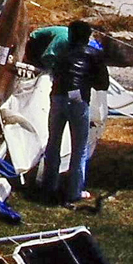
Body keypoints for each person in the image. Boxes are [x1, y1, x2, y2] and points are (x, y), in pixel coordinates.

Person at [41, 20, 109, 207]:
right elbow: (103, 84)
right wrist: (89, 80)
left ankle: (49, 186)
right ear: (87, 37)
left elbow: (55, 72)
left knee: (53, 143)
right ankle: (74, 192)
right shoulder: (94, 54)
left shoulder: (62, 53)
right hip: (78, 99)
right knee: (79, 147)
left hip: (57, 96)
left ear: (71, 35)